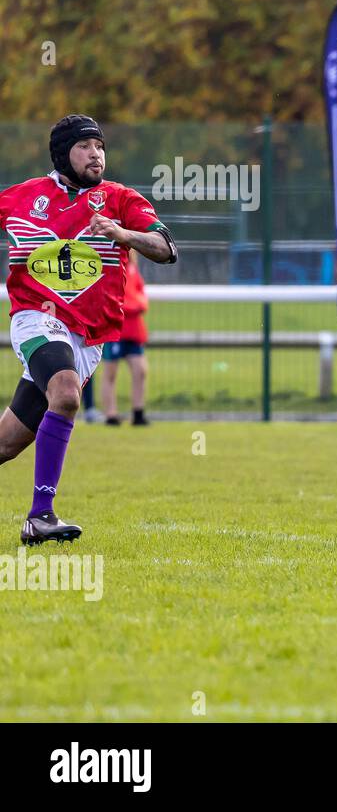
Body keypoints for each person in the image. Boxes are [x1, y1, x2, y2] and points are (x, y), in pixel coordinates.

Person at [0, 114, 178, 544]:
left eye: (99, 145)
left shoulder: (120, 200)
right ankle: (41, 516)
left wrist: (123, 233)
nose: (96, 153)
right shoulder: (21, 197)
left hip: (88, 337)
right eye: (85, 146)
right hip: (37, 318)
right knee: (65, 394)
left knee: (5, 444)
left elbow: (167, 248)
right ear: (63, 154)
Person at [100, 248, 151, 426]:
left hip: (133, 330)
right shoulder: (108, 268)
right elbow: (115, 299)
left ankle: (138, 412)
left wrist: (138, 304)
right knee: (110, 373)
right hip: (115, 329)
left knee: (140, 370)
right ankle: (111, 414)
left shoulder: (133, 270)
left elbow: (141, 296)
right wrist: (133, 305)